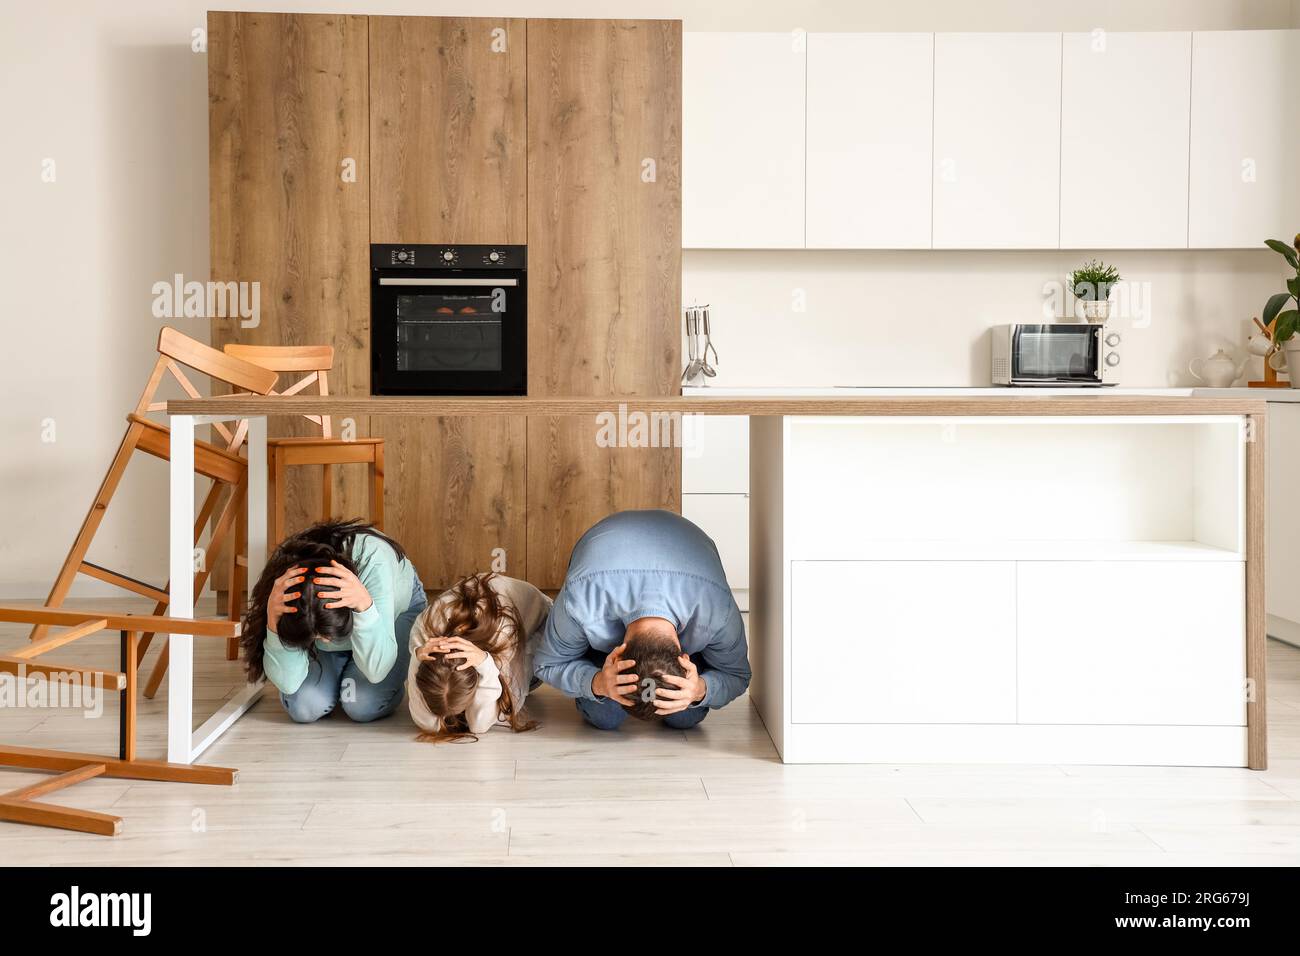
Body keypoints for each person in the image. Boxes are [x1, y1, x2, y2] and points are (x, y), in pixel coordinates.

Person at [533, 509, 751, 731]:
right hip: (604, 559)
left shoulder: (716, 611)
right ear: (615, 654)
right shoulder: (581, 601)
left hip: (688, 562)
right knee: (605, 715)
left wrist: (699, 689)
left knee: (684, 716)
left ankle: (674, 694)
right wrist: (597, 682)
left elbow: (739, 675)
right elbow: (545, 663)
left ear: (687, 656)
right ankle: (611, 687)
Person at [239, 519, 426, 723]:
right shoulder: (290, 583)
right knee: (304, 706)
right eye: (317, 637)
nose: (325, 642)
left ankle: (354, 672)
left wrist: (365, 606)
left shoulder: (374, 560)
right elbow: (289, 683)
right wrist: (273, 621)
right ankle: (345, 668)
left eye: (323, 636)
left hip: (395, 612)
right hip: (322, 614)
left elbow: (377, 670)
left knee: (362, 704)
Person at [407, 572, 551, 742]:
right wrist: (416, 659)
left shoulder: (502, 635)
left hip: (540, 623)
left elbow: (480, 724)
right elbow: (427, 723)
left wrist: (486, 664)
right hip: (484, 614)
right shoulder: (422, 634)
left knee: (509, 698)